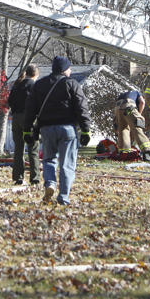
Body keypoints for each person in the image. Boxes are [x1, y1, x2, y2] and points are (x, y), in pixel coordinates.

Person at [23, 56, 91, 205]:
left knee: (48, 160)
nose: (71, 71)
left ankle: (50, 184)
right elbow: (82, 107)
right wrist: (85, 129)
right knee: (67, 164)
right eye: (69, 68)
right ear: (65, 69)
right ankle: (63, 198)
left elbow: (30, 109)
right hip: (68, 129)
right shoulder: (71, 83)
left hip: (46, 129)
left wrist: (26, 130)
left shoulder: (39, 85)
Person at [7, 64, 40, 185]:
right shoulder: (35, 86)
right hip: (30, 118)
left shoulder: (16, 85)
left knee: (18, 149)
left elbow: (9, 101)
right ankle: (35, 178)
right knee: (33, 148)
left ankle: (18, 177)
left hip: (16, 118)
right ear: (36, 74)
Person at [114, 87, 150, 161]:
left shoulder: (122, 94)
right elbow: (142, 102)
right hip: (129, 107)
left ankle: (124, 153)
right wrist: (139, 114)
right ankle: (146, 152)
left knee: (123, 130)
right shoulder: (137, 92)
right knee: (137, 128)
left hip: (118, 109)